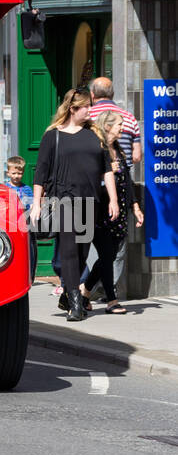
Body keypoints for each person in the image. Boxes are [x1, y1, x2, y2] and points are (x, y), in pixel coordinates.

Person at [30, 87, 118, 322]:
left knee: (81, 252)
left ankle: (67, 297)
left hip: (91, 201)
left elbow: (107, 170)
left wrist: (114, 200)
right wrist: (36, 203)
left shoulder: (95, 134)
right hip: (64, 199)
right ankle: (76, 303)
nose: (90, 110)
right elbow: (40, 172)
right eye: (86, 106)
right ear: (72, 109)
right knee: (69, 251)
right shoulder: (53, 135)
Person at [80, 111, 143, 315]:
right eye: (118, 125)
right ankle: (111, 300)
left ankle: (85, 291)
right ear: (107, 126)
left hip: (119, 212)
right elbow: (86, 178)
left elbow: (127, 181)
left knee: (110, 255)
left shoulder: (118, 149)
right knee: (107, 255)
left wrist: (135, 207)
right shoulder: (97, 149)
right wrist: (105, 173)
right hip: (101, 211)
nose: (122, 129)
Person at [86, 76, 141, 295]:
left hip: (95, 193)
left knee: (94, 245)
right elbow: (136, 156)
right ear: (113, 94)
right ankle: (109, 289)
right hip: (118, 189)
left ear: (92, 95)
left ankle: (93, 287)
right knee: (114, 248)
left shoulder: (84, 117)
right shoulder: (129, 117)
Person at [4, 156, 35, 278]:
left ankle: (28, 273)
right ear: (8, 173)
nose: (16, 176)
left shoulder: (26, 189)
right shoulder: (5, 188)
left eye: (19, 173)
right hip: (11, 223)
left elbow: (32, 204)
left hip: (24, 223)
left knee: (26, 249)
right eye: (14, 173)